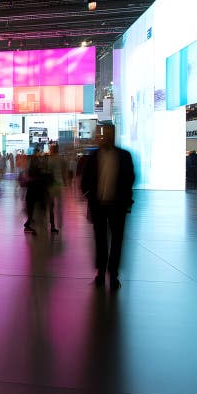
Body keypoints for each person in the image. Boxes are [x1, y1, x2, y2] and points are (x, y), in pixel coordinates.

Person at [80, 124, 135, 290]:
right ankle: (101, 271)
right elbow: (86, 180)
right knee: (101, 239)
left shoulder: (124, 156)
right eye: (103, 134)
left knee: (117, 240)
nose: (105, 137)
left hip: (117, 206)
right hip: (99, 206)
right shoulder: (94, 157)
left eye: (108, 134)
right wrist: (90, 196)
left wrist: (124, 199)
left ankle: (113, 273)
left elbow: (130, 178)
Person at [47, 143, 66, 234]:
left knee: (51, 205)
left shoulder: (49, 159)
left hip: (51, 184)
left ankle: (52, 224)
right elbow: (63, 170)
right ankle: (60, 222)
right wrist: (65, 181)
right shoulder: (61, 158)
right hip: (59, 183)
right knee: (59, 204)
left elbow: (48, 171)